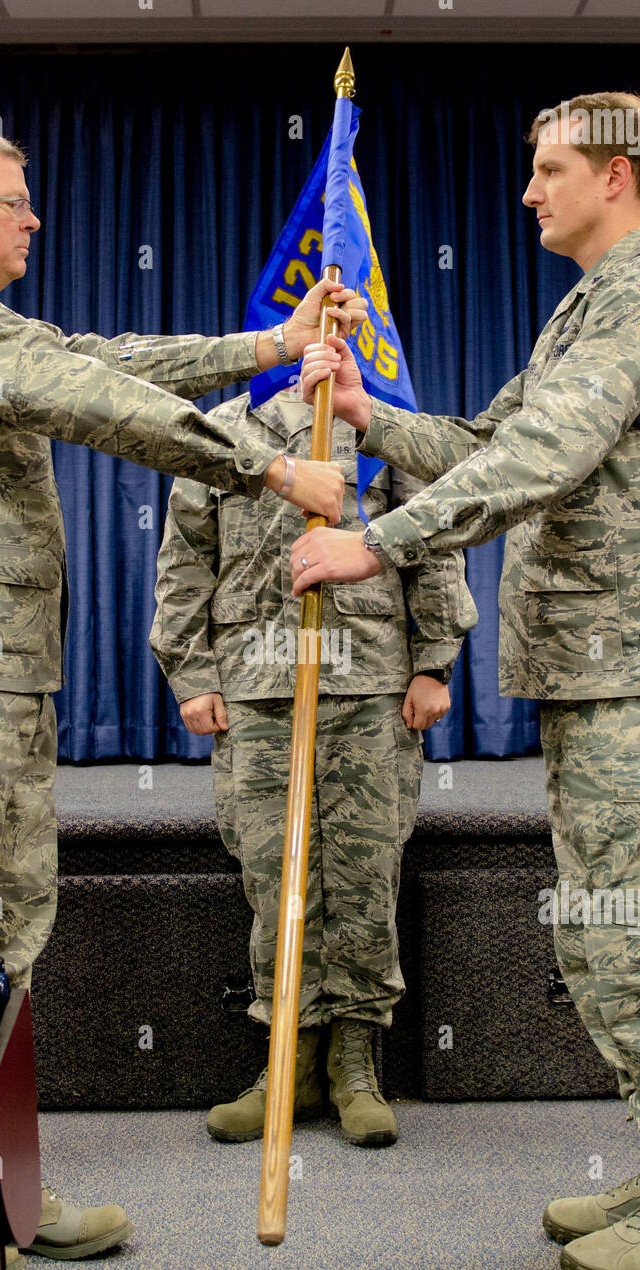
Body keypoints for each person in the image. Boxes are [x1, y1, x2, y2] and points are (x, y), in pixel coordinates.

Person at [0, 129, 363, 1265]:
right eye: (14, 204)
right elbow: (84, 395)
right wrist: (268, 465)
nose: (33, 221)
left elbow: (103, 358)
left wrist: (271, 342)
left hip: (3, 691)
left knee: (1, 949)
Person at [290, 92, 640, 1270]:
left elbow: (541, 460)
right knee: (610, 943)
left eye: (550, 170)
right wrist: (366, 415)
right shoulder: (586, 308)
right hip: (606, 682)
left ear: (617, 176)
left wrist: (375, 545)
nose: (529, 191)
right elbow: (493, 438)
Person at [150, 388, 476, 1146]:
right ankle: (287, 1055)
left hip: (370, 677)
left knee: (365, 869)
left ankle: (356, 1062)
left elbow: (434, 543)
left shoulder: (377, 417)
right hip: (259, 680)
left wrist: (434, 661)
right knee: (273, 872)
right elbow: (186, 555)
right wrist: (190, 671)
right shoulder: (226, 429)